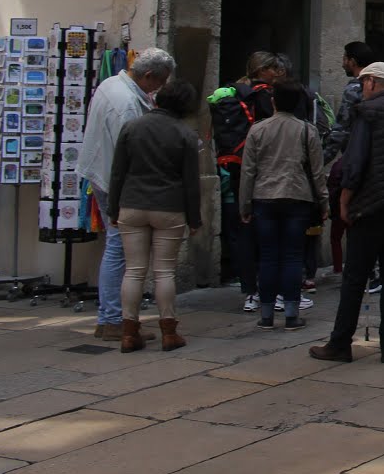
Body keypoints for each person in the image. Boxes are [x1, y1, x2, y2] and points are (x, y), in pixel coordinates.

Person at [311, 61, 384, 364]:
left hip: (371, 201)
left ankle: (340, 343)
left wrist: (345, 199)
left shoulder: (369, 112)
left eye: (364, 82)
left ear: (374, 83)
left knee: (355, 276)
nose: (362, 88)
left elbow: (355, 159)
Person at [78, 47, 175, 341]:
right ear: (147, 75)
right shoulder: (127, 106)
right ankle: (112, 319)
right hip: (114, 180)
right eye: (159, 83)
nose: (159, 89)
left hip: (103, 173)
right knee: (119, 247)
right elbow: (132, 152)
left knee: (118, 245)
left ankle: (112, 317)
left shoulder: (113, 83)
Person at [107, 79, 201, 354]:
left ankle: (128, 332)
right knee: (164, 271)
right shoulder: (185, 134)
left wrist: (114, 208)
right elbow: (191, 182)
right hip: (169, 207)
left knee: (134, 271)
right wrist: (194, 218)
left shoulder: (132, 127)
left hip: (132, 204)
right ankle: (169, 332)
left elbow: (117, 173)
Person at [241, 81, 328, 330]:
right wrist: (323, 202)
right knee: (292, 256)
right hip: (297, 197)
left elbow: (248, 172)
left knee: (268, 257)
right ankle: (291, 313)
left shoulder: (257, 130)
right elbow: (317, 171)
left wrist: (244, 205)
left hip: (264, 196)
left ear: (273, 101)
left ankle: (267, 315)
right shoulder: (306, 131)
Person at [209, 50, 285, 314]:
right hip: (262, 174)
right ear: (262, 70)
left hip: (233, 172)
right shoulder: (265, 96)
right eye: (273, 68)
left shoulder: (232, 93)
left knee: (242, 234)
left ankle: (249, 291)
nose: (277, 73)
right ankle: (269, 291)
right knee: (267, 235)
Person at [325, 42, 376, 280]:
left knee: (352, 214)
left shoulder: (354, 89)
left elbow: (341, 127)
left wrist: (323, 158)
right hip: (379, 161)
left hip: (357, 159)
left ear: (353, 61)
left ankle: (364, 271)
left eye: (345, 58)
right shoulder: (383, 85)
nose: (343, 63)